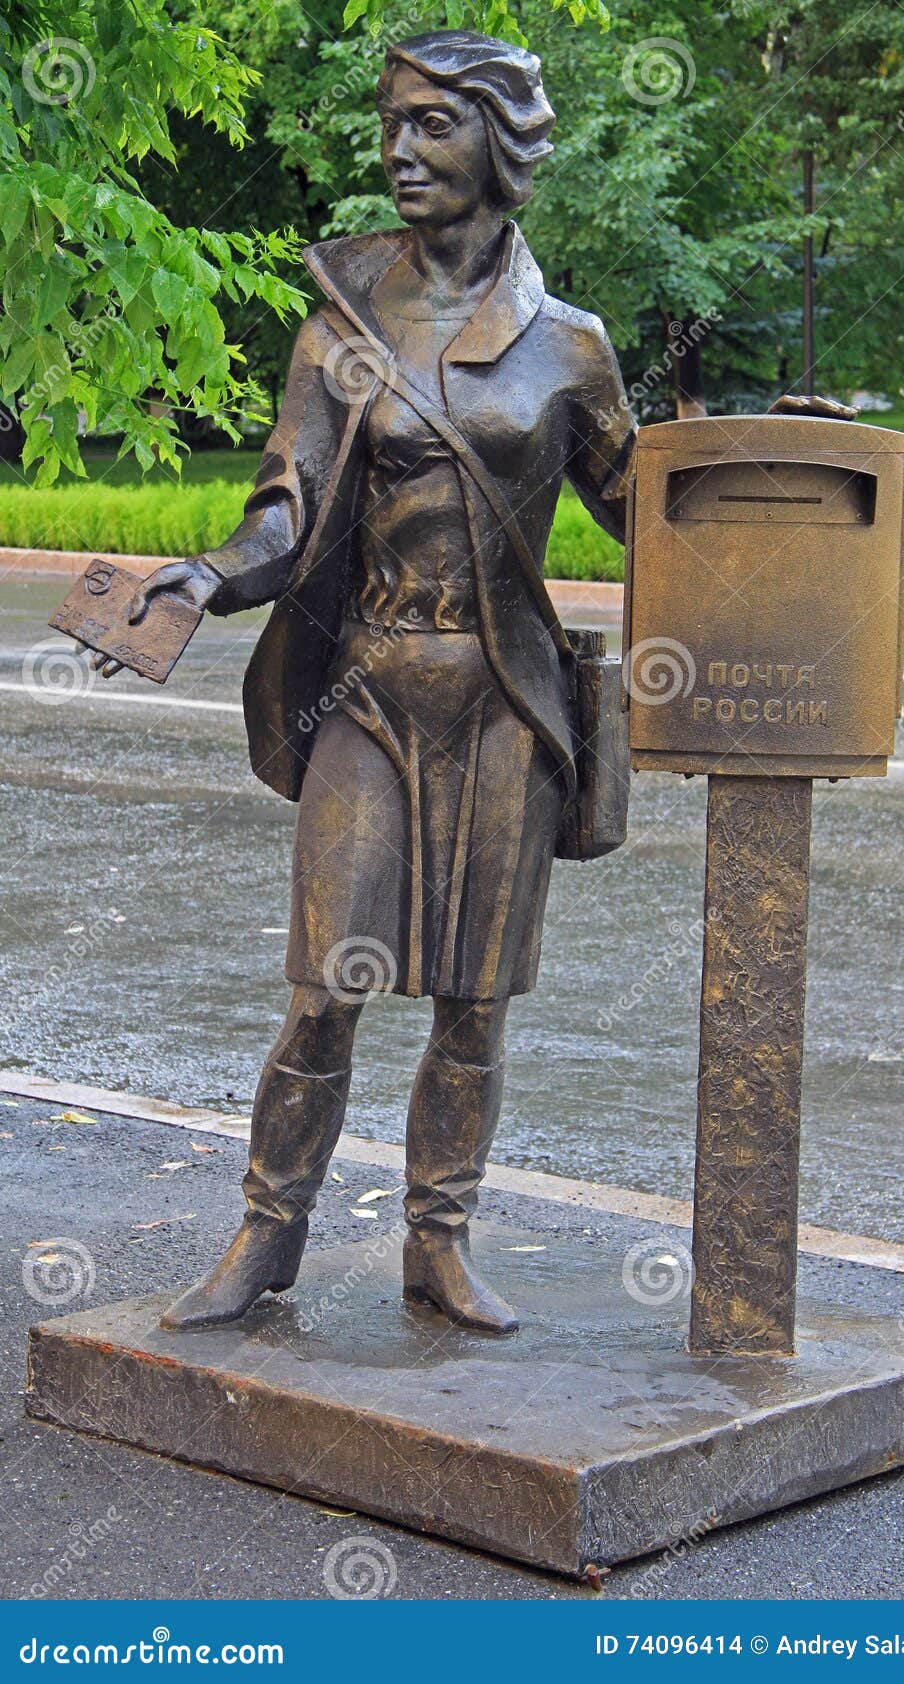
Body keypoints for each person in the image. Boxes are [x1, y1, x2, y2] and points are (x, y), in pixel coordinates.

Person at [107, 31, 637, 1334]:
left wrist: (754, 460)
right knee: (325, 985)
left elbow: (650, 514)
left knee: (472, 1001)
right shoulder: (343, 326)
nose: (401, 150)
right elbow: (284, 508)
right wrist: (209, 579)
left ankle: (438, 1242)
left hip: (505, 704)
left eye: (433, 126)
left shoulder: (569, 347)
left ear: (502, 148)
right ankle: (266, 1232)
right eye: (392, 124)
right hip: (372, 688)